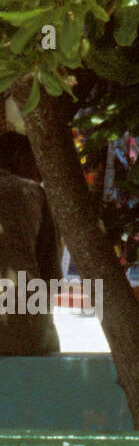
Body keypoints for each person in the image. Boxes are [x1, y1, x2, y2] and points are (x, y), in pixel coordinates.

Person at [0, 131, 62, 356]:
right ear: (19, 157)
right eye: (36, 162)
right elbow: (52, 277)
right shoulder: (32, 193)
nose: (39, 173)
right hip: (25, 327)